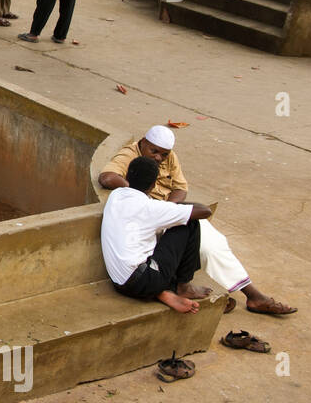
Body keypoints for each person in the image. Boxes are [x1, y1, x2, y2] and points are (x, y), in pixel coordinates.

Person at [98, 126, 297, 316]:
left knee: (215, 245)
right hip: (153, 217)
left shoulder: (164, 161)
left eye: (164, 154)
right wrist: (162, 208)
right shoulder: (129, 157)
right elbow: (107, 177)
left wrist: (169, 209)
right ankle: (183, 287)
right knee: (190, 225)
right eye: (154, 151)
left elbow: (180, 188)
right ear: (142, 143)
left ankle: (251, 294)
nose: (159, 158)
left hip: (157, 218)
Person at [101, 155, 213, 313]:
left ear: (127, 176)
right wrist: (174, 206)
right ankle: (183, 286)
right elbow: (205, 211)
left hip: (119, 284)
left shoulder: (116, 195)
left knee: (152, 238)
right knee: (189, 223)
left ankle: (161, 293)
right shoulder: (151, 208)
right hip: (145, 280)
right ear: (153, 185)